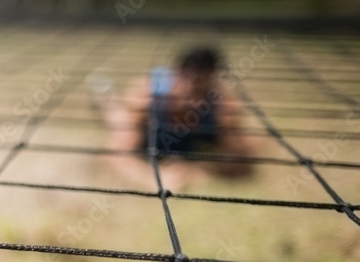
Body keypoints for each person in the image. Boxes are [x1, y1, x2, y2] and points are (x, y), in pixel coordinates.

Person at [100, 47, 256, 189]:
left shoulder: (221, 105)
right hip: (151, 134)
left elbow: (242, 161)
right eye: (187, 84)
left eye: (199, 90)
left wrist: (196, 170)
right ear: (176, 77)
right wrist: (154, 179)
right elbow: (117, 155)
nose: (192, 97)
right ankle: (105, 96)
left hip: (187, 140)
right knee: (117, 118)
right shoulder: (146, 96)